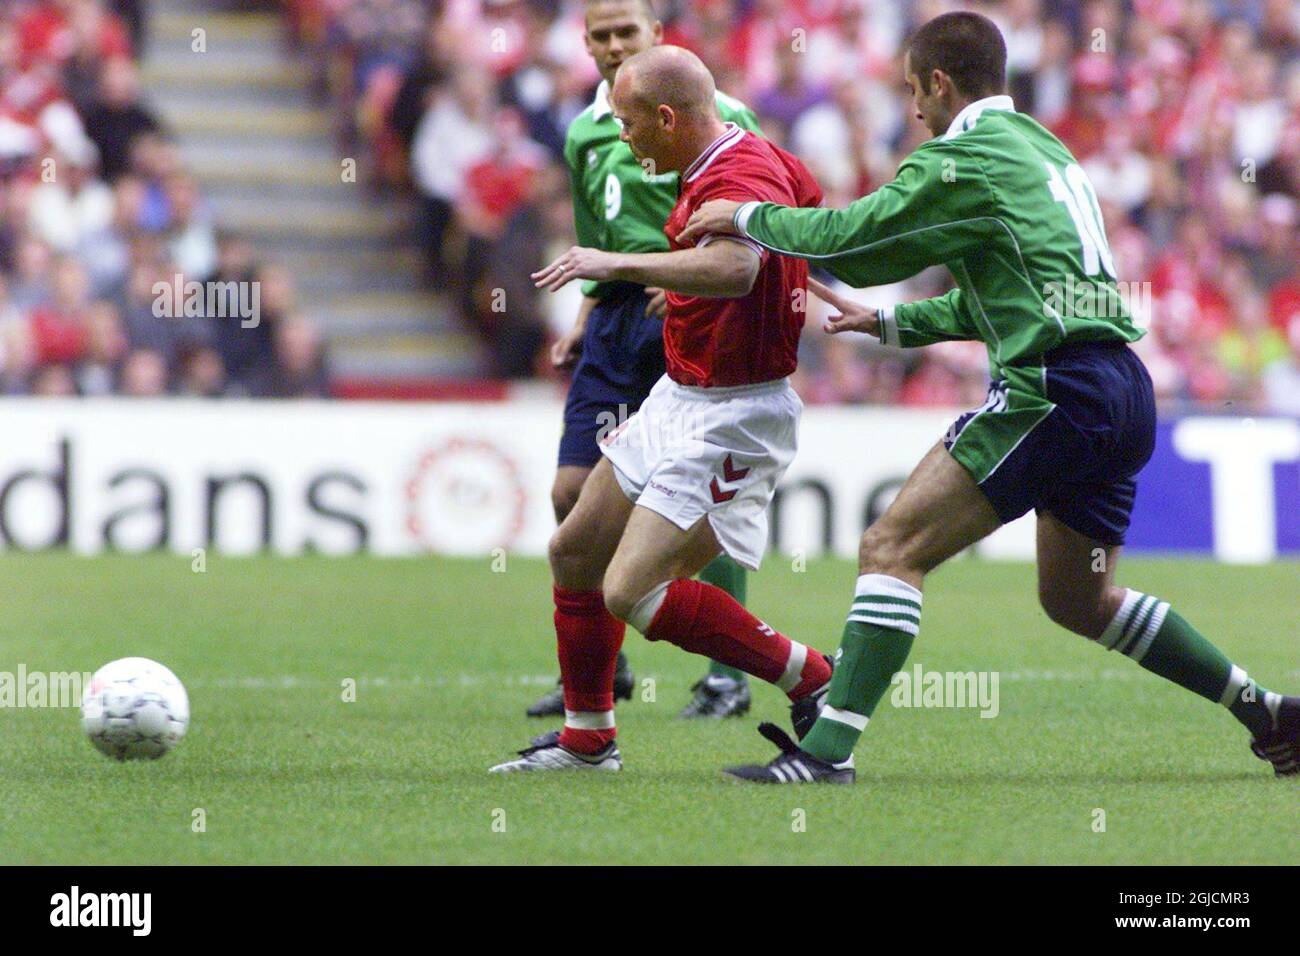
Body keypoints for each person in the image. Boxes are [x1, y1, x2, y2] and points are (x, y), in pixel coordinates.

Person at [678, 11, 1299, 783]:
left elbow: (854, 240)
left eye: (912, 90)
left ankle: (824, 755)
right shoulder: (1045, 149)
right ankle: (1266, 710)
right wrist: (899, 323)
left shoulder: (962, 158)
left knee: (891, 547)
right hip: (1120, 387)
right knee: (1080, 599)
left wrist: (743, 215)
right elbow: (1026, 296)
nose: (911, 110)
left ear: (940, 83)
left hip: (1054, 390)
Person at [489, 44, 830, 773]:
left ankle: (814, 678)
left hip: (737, 413)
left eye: (630, 122)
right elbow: (800, 210)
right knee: (574, 549)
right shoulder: (734, 158)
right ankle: (589, 741)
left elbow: (738, 268)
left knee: (629, 589)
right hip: (680, 394)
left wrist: (619, 263)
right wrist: (793, 280)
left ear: (668, 117)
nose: (623, 137)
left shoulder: (735, 170)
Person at [526, 0, 767, 722]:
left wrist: (686, 274)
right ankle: (607, 667)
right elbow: (595, 233)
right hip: (616, 321)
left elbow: (748, 206)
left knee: (699, 508)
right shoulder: (585, 132)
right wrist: (583, 314)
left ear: (656, 37)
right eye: (598, 35)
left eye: (624, 32)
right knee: (572, 494)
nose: (610, 45)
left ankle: (728, 675)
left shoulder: (720, 112)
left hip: (684, 314)